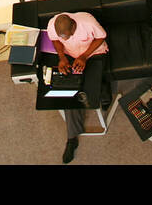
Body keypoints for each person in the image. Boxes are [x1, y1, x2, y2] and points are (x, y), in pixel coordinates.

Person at [44, 12, 108, 164]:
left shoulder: (88, 22)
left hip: (93, 54)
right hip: (71, 56)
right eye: (63, 37)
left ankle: (104, 95)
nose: (65, 39)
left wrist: (84, 56)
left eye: (67, 36)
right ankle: (72, 138)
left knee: (93, 83)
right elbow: (55, 40)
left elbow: (101, 37)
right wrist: (62, 57)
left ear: (73, 25)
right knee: (69, 93)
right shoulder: (53, 24)